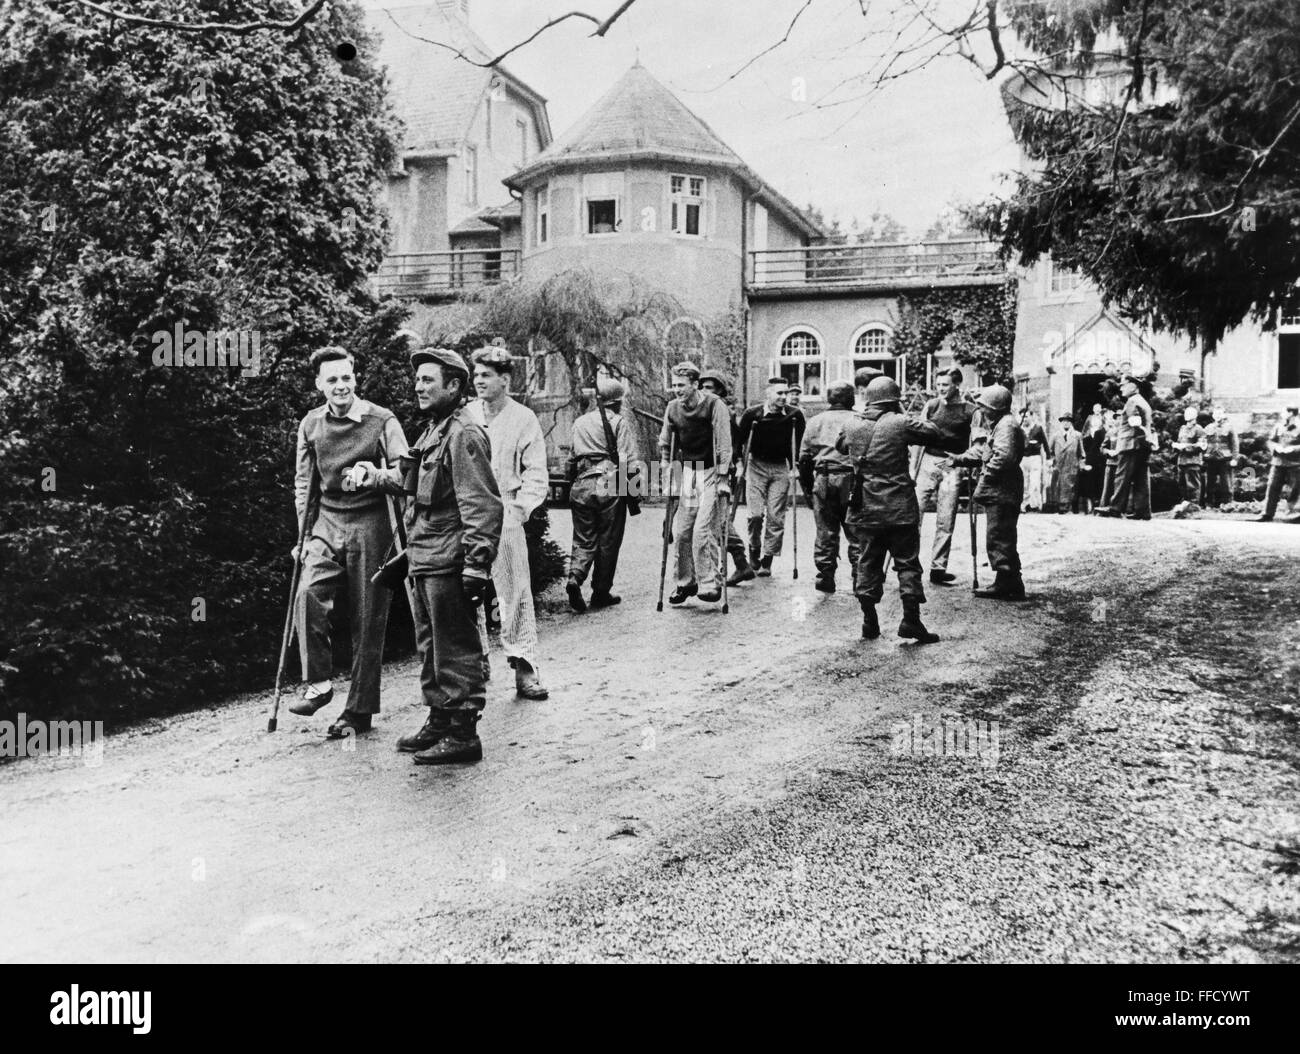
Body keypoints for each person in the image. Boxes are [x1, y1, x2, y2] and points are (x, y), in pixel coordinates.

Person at [383, 346, 502, 765]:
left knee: (455, 644)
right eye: (417, 380)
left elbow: (482, 504)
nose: (418, 386)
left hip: (450, 559)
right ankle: (441, 717)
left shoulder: (464, 434)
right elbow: (411, 485)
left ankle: (465, 732)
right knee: (431, 645)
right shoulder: (434, 430)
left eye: (428, 380)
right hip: (424, 557)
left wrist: (476, 563)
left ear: (454, 386)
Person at [288, 345, 409, 739]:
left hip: (370, 521)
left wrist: (375, 473)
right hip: (327, 519)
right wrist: (303, 537)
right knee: (308, 592)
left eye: (347, 377)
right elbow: (304, 485)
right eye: (332, 379)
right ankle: (319, 683)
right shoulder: (310, 424)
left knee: (367, 617)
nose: (341, 386)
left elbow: (405, 475)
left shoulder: (381, 420)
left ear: (355, 377)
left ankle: (358, 712)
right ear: (319, 384)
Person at [464, 343, 551, 699]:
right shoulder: (467, 415)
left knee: (514, 590)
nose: (478, 381)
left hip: (505, 514)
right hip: (468, 516)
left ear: (505, 379)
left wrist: (520, 509)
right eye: (476, 375)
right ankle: (476, 660)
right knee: (468, 590)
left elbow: (536, 474)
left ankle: (524, 665)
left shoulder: (522, 418)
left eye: (486, 375)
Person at [835, 377, 945, 643]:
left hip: (865, 507)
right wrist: (902, 412)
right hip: (899, 508)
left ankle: (869, 621)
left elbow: (840, 446)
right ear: (893, 400)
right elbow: (933, 432)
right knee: (907, 562)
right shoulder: (900, 422)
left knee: (867, 561)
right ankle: (911, 620)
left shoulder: (851, 424)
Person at [658, 361, 733, 605]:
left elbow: (723, 444)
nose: (677, 389)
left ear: (694, 384)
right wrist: (667, 470)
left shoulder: (714, 405)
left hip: (711, 472)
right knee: (681, 533)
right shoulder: (673, 408)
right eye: (674, 385)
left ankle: (710, 583)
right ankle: (685, 583)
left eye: (681, 385)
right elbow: (666, 444)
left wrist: (723, 478)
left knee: (703, 530)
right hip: (689, 472)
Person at [566, 377, 641, 611]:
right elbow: (628, 461)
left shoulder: (579, 422)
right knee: (608, 541)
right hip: (610, 482)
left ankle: (575, 577)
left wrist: (574, 484)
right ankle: (600, 592)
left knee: (583, 538)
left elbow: (570, 460)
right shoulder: (619, 422)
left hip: (581, 484)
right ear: (617, 402)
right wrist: (635, 494)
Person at [952, 385, 1027, 600]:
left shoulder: (1006, 426)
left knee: (1000, 535)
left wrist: (986, 477)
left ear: (995, 408)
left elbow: (1003, 458)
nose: (982, 412)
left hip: (1002, 490)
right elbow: (987, 452)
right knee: (1000, 535)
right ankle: (1008, 582)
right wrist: (959, 459)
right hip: (1002, 489)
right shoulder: (1002, 424)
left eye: (985, 408)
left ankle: (1008, 584)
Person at [798, 379, 863, 593]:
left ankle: (825, 574)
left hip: (824, 478)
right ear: (851, 398)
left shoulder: (816, 421)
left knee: (825, 529)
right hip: (851, 480)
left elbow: (805, 459)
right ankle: (859, 575)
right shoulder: (859, 419)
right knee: (856, 530)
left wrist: (808, 489)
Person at [736, 377, 805, 576]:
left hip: (780, 468)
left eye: (785, 393)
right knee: (755, 515)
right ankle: (754, 548)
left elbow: (799, 443)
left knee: (776, 516)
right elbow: (739, 441)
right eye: (779, 393)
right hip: (756, 465)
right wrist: (739, 463)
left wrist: (796, 465)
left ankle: (768, 559)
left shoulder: (795, 415)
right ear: (769, 394)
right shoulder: (752, 414)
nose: (784, 397)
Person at [913, 368, 974, 585]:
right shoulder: (932, 406)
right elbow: (919, 436)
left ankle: (938, 568)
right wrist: (913, 469)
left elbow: (974, 441)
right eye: (938, 385)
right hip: (929, 462)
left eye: (945, 385)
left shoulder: (969, 410)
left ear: (956, 384)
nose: (940, 389)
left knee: (946, 517)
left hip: (951, 465)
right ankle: (910, 563)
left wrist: (964, 460)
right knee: (915, 513)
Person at [699, 370, 755, 586]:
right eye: (702, 386)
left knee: (717, 520)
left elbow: (731, 444)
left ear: (720, 391)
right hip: (698, 468)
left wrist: (727, 469)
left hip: (719, 471)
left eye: (710, 387)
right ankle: (741, 564)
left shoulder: (722, 411)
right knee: (711, 519)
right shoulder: (700, 408)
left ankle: (739, 564)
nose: (704, 391)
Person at [1097, 375, 1152, 519]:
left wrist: (1141, 435)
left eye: (1124, 385)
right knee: (1141, 479)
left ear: (1133, 386)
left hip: (1130, 444)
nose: (1121, 388)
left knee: (1122, 477)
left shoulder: (1132, 401)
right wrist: (1146, 439)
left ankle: (1115, 508)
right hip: (1142, 445)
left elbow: (1135, 422)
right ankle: (1143, 511)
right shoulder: (1143, 401)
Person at [1256, 404, 1300, 522]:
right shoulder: (1279, 426)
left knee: (1294, 490)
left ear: (1291, 413)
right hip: (1278, 462)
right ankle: (1267, 513)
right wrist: (1275, 447)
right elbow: (1270, 441)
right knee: (1272, 487)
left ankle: (1293, 515)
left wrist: (1293, 449)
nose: (1282, 414)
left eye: (1284, 412)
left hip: (1295, 463)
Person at [1202, 406, 1240, 508]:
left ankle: (1227, 503)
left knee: (1226, 483)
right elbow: (1203, 442)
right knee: (1209, 483)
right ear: (1213, 415)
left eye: (1220, 414)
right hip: (1211, 459)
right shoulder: (1208, 427)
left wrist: (1235, 459)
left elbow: (1235, 444)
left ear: (1223, 415)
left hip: (1225, 459)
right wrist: (1202, 456)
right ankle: (1209, 503)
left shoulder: (1229, 427)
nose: (1217, 416)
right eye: (1216, 414)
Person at [1050, 413, 1087, 514]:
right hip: (1059, 465)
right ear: (1061, 423)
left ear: (1071, 423)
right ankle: (1060, 506)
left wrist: (1081, 464)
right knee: (1059, 485)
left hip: (1071, 465)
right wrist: (1052, 462)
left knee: (1070, 487)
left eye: (1068, 421)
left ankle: (1067, 506)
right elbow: (1050, 451)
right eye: (1064, 421)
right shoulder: (1056, 435)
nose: (1066, 423)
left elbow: (1081, 453)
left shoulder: (1077, 435)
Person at [1174, 406, 1208, 507]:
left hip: (1193, 461)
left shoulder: (1199, 429)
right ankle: (1185, 504)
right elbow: (1180, 441)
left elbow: (1201, 446)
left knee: (1193, 485)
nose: (1186, 415)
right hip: (1182, 461)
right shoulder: (1183, 428)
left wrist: (1185, 447)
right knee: (1182, 484)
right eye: (1186, 413)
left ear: (1195, 416)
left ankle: (1194, 505)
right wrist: (1175, 446)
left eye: (1189, 414)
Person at [1020, 406, 1048, 512]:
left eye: (1026, 416)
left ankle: (1035, 505)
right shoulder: (1019, 430)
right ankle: (1023, 505)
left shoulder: (1037, 428)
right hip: (1023, 459)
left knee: (1035, 482)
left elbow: (1045, 444)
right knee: (1024, 482)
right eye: (1023, 417)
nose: (1025, 419)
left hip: (1035, 458)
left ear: (1031, 417)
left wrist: (1049, 458)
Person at [1081, 407, 1108, 511]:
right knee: (1089, 479)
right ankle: (1089, 502)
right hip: (1090, 460)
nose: (1096, 424)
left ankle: (1099, 502)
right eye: (1094, 422)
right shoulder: (1086, 436)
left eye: (1098, 422)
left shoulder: (1102, 433)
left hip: (1100, 460)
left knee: (1100, 480)